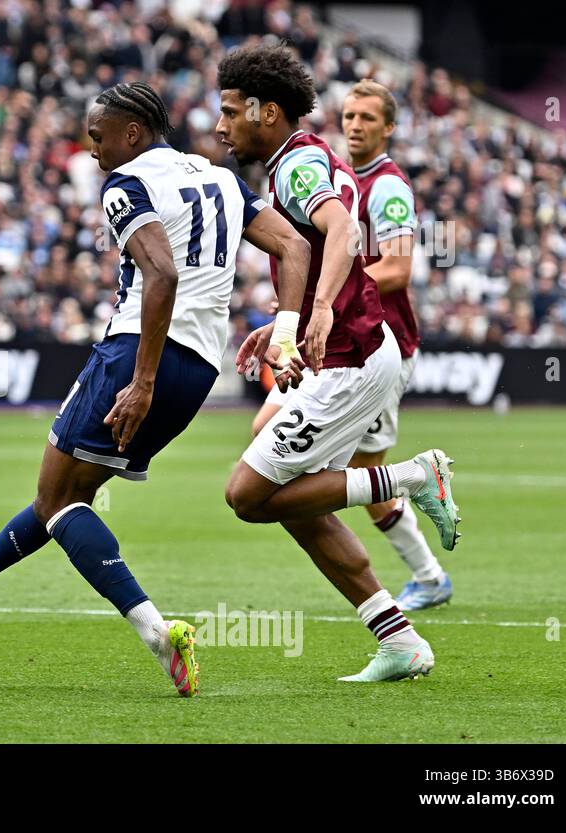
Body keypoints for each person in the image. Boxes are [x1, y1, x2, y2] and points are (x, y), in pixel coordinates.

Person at [0, 81, 313, 697]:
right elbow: (295, 244)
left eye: (98, 137)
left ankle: (157, 632)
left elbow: (161, 273)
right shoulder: (221, 178)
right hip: (201, 369)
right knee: (66, 498)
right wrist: (285, 329)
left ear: (132, 133)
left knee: (57, 503)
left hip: (135, 355)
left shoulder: (126, 185)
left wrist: (141, 378)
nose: (92, 149)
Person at [215, 44, 460, 682]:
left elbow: (345, 235)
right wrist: (285, 322)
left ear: (267, 113)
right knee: (292, 499)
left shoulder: (296, 165)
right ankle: (397, 638)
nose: (221, 126)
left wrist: (317, 311)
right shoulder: (308, 157)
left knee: (246, 495)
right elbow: (322, 246)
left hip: (351, 358)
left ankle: (412, 477)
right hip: (351, 347)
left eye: (231, 112)